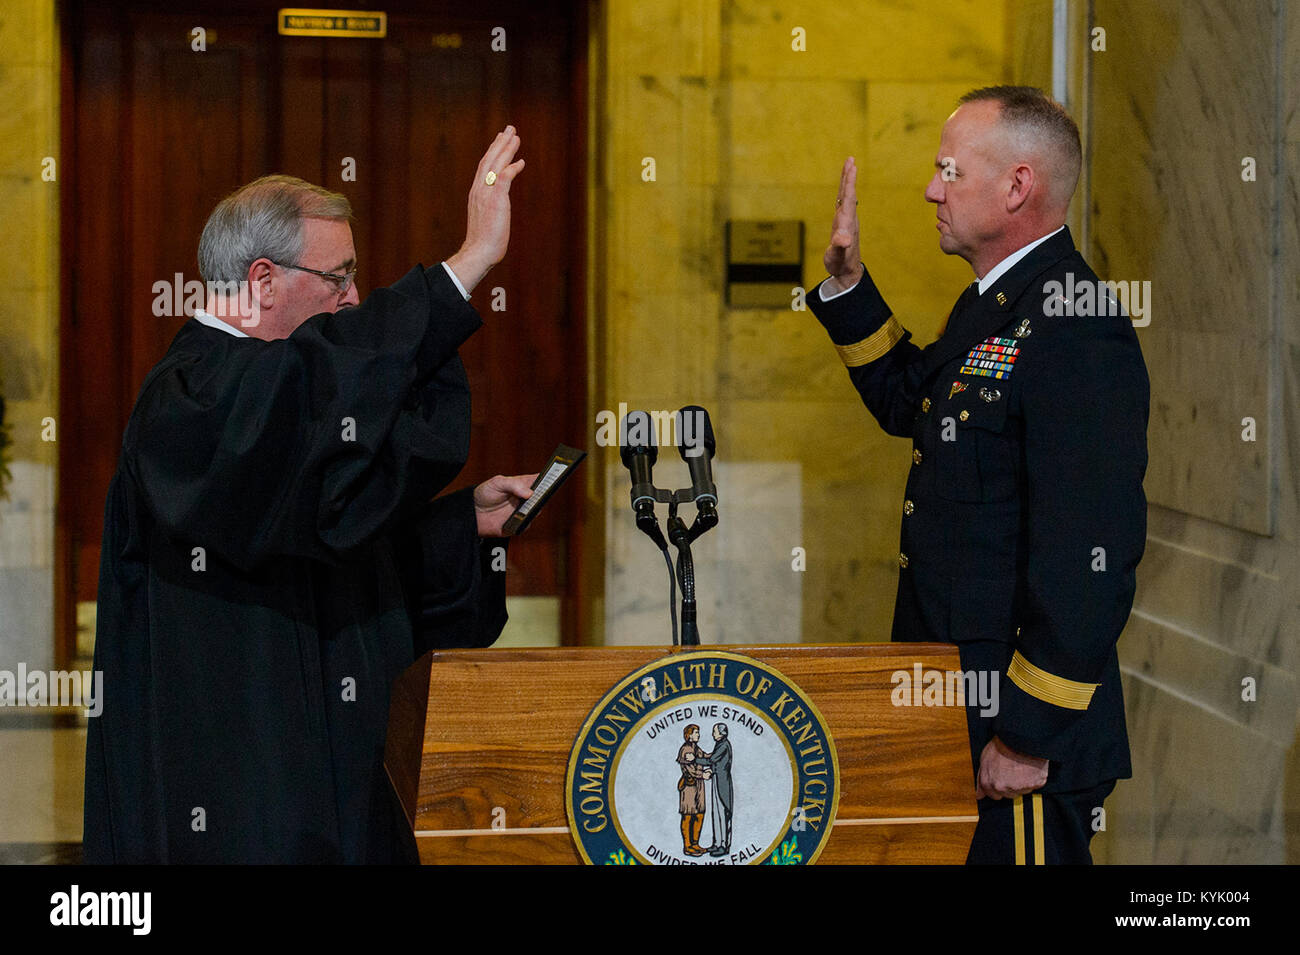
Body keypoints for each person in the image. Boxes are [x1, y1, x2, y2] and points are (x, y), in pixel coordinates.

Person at [84, 127, 536, 864]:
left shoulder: (275, 397)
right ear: (261, 282)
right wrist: (464, 267)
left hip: (336, 775)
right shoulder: (193, 399)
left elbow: (328, 535)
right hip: (238, 791)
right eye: (339, 278)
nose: (355, 299)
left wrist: (464, 525)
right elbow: (313, 392)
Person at [809, 87, 1148, 864]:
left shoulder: (1074, 323)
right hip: (955, 711)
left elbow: (1090, 557)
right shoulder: (996, 304)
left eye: (948, 170)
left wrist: (1027, 733)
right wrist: (849, 285)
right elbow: (913, 403)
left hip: (1019, 739)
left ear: (1018, 186)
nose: (932, 189)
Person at [697, 722, 733, 857]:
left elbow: (712, 760)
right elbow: (715, 761)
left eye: (714, 731)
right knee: (716, 814)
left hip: (722, 783)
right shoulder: (720, 744)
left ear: (721, 733)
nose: (713, 734)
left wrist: (694, 759)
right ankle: (717, 843)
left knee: (722, 815)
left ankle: (723, 846)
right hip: (717, 781)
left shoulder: (724, 745)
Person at [676, 723, 710, 856]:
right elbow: (690, 770)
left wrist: (717, 754)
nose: (698, 735)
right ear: (689, 735)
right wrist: (703, 775)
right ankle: (687, 846)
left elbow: (704, 756)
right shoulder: (685, 749)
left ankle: (695, 844)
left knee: (700, 814)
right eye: (696, 733)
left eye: (698, 733)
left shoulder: (696, 748)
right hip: (689, 786)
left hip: (699, 786)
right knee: (688, 816)